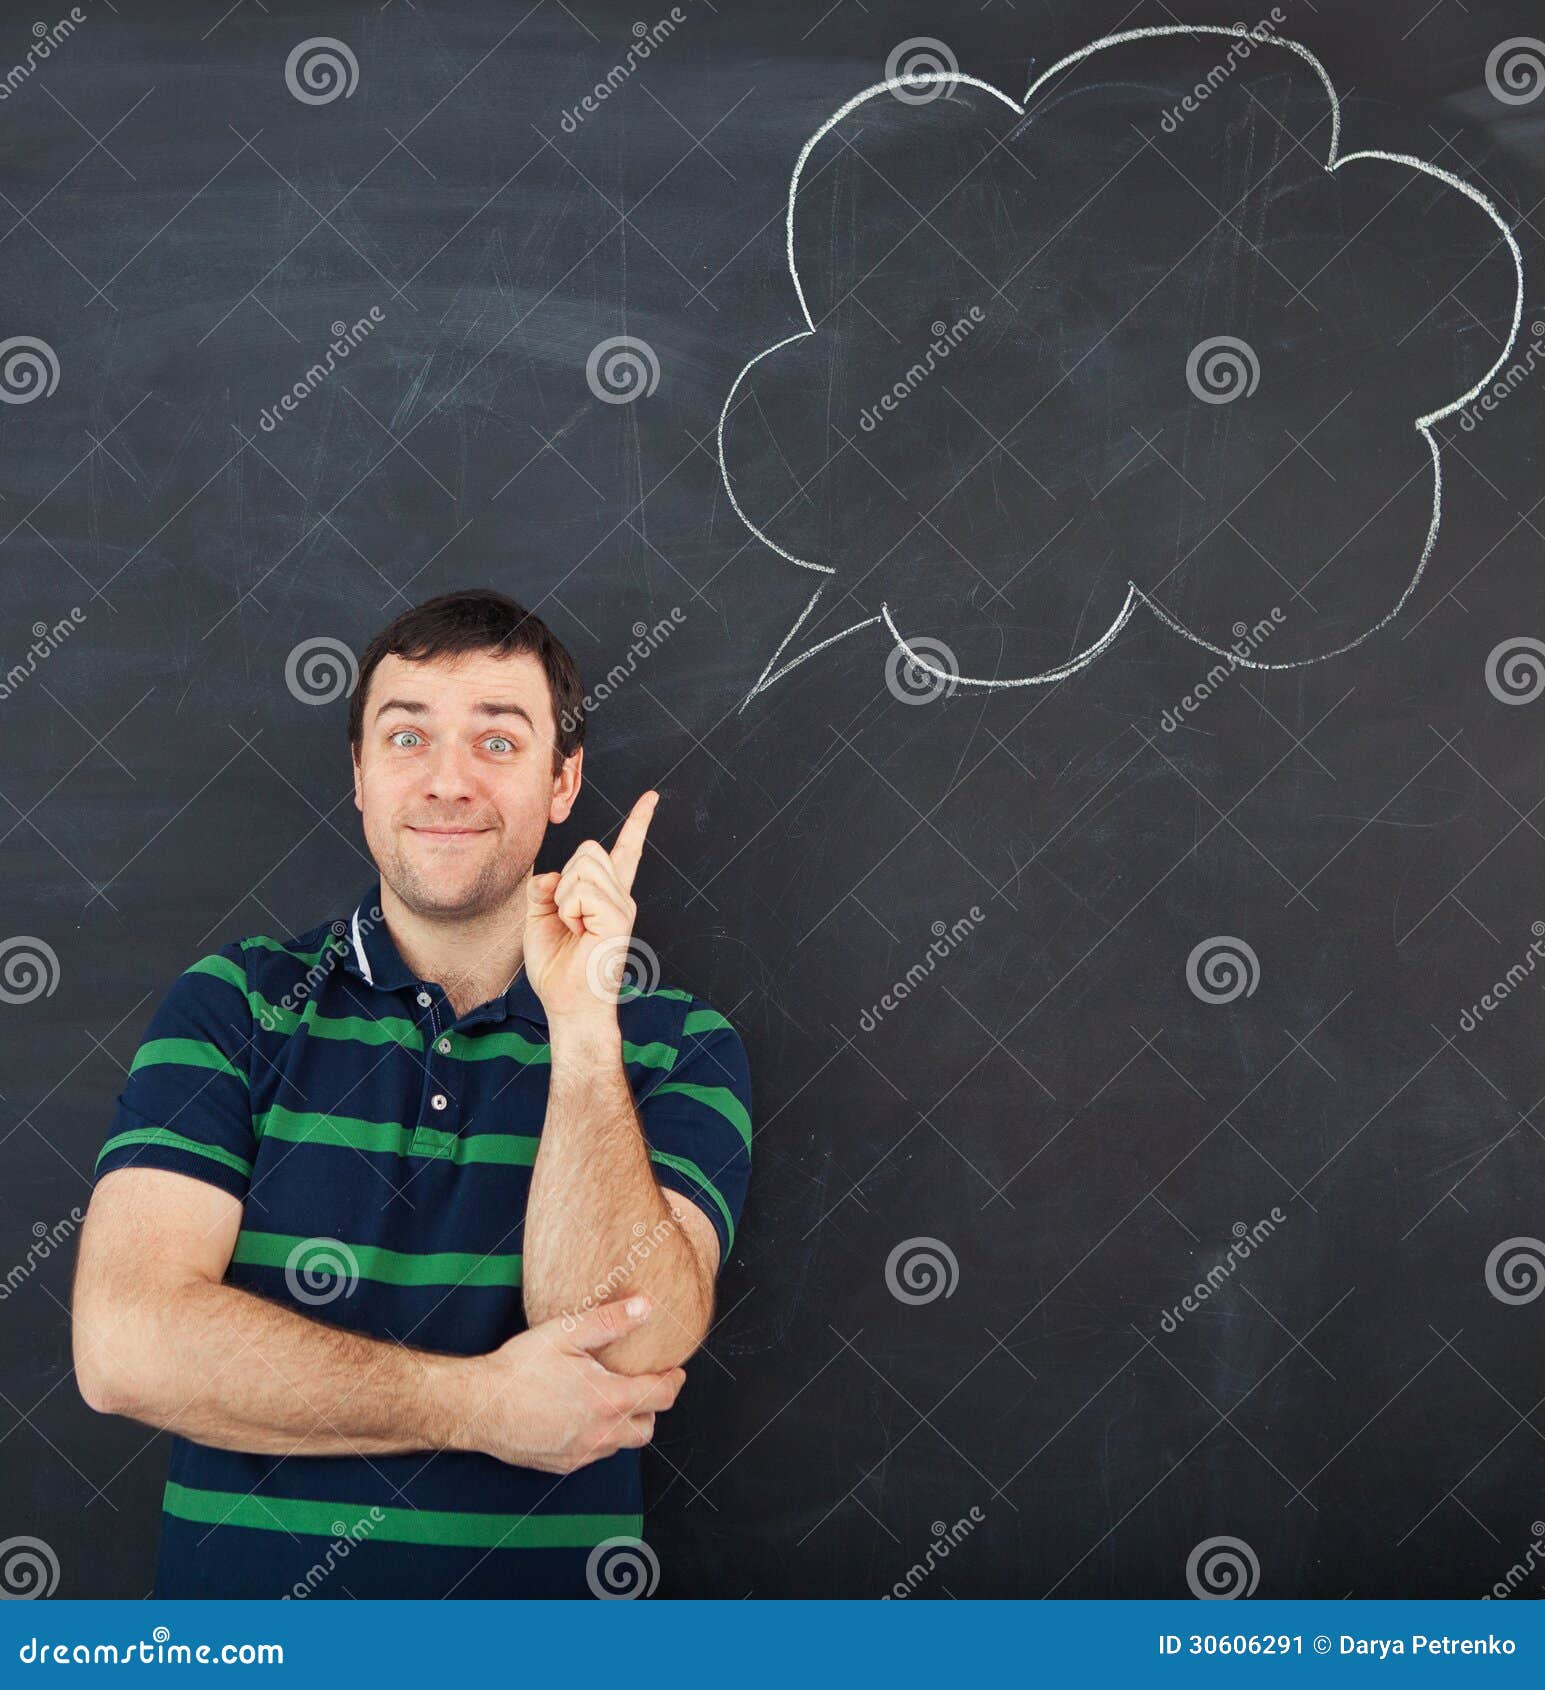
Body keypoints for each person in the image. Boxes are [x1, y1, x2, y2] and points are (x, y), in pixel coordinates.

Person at [70, 586, 753, 1598]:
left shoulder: (673, 1044)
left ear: (563, 781)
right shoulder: (235, 1007)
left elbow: (627, 1334)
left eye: (497, 741)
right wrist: (476, 1404)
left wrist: (579, 1031)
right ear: (358, 773)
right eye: (406, 737)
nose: (446, 781)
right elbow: (124, 1345)